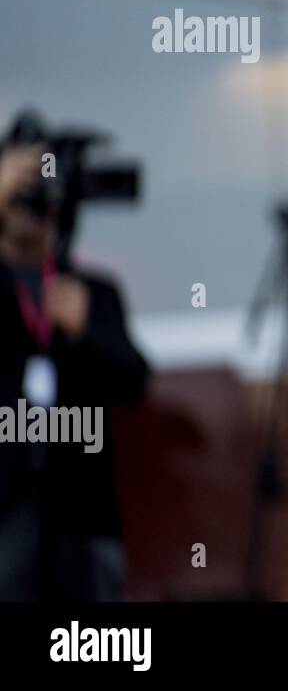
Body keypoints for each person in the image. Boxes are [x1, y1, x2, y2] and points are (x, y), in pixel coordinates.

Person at [0, 130, 151, 601]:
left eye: (38, 193)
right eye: (19, 193)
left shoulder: (92, 290)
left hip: (84, 515)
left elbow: (134, 380)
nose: (32, 204)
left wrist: (87, 331)